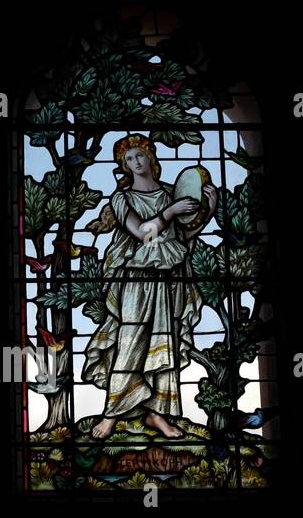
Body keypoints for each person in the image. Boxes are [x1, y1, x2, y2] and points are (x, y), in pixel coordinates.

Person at [83, 134, 217, 440]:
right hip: (136, 278)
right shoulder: (122, 199)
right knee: (129, 343)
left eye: (139, 155)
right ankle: (111, 414)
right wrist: (170, 211)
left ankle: (158, 414)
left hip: (169, 279)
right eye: (128, 159)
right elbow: (142, 231)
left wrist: (208, 210)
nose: (135, 163)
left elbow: (182, 237)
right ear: (123, 165)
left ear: (150, 156)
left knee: (164, 346)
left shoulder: (172, 193)